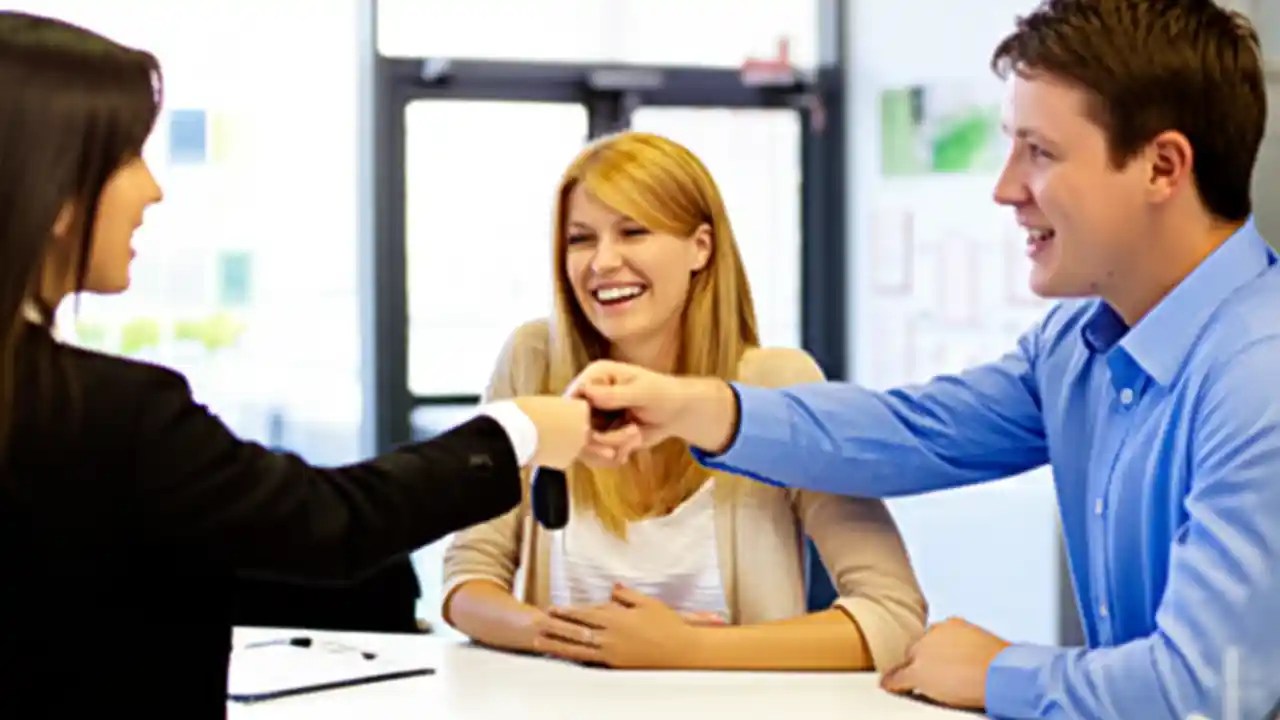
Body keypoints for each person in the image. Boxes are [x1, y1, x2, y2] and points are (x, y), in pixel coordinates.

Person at [568, 1, 1280, 718]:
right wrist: (695, 408)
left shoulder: (1259, 377)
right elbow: (911, 431)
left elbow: (1206, 690)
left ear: (1162, 166)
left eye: (1039, 151)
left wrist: (998, 672)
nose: (1004, 189)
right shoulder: (1077, 347)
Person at [0, 12, 593, 719]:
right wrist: (519, 431)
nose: (153, 189)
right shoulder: (109, 412)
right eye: (129, 155)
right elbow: (331, 523)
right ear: (58, 186)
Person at [440, 131, 926, 672]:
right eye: (580, 239)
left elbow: (893, 616)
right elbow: (467, 578)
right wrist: (561, 635)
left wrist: (689, 651)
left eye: (633, 231)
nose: (602, 262)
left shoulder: (777, 384)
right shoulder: (533, 359)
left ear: (701, 246)